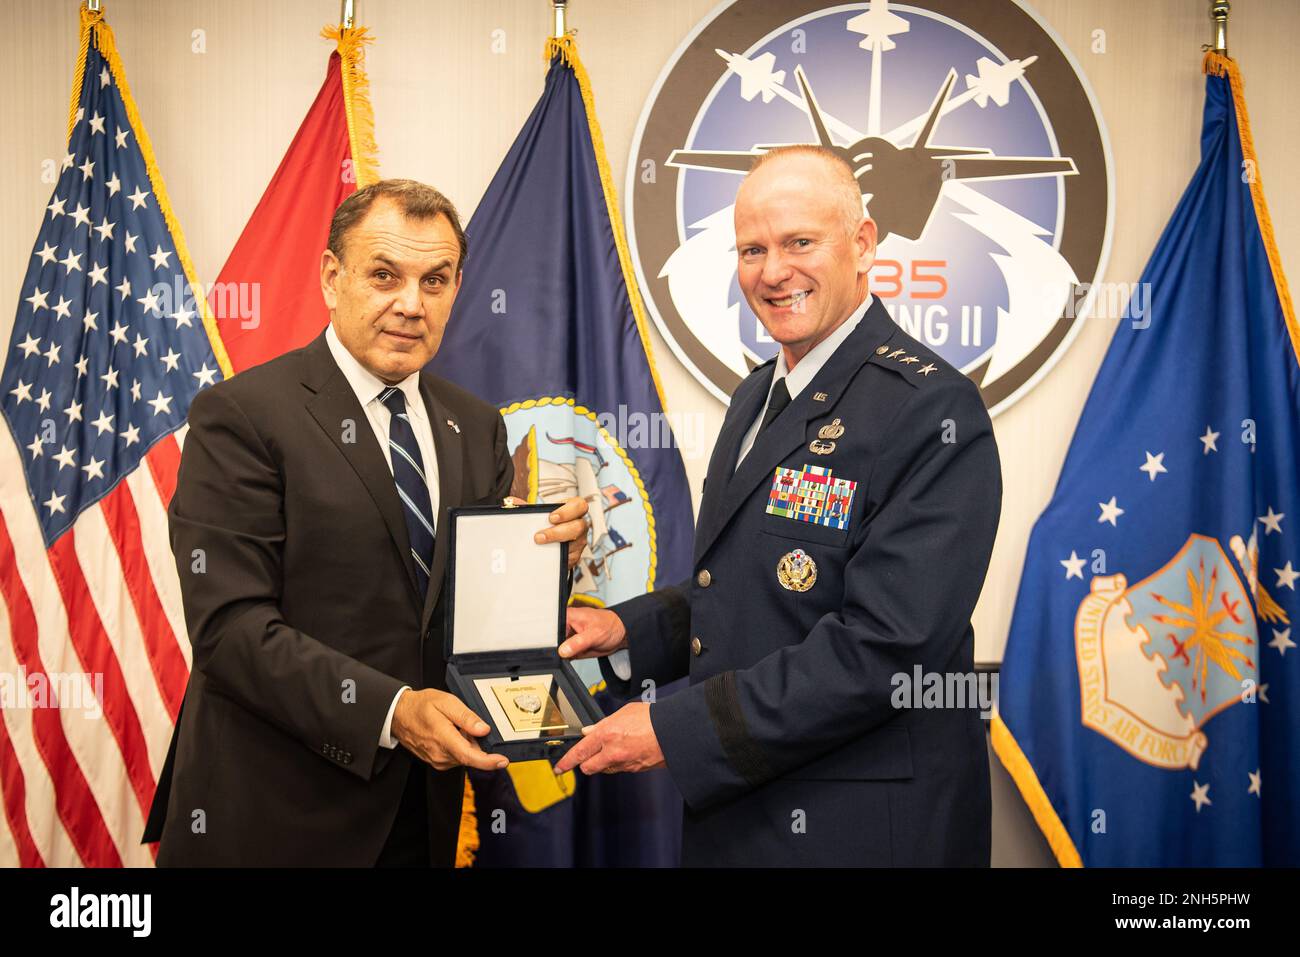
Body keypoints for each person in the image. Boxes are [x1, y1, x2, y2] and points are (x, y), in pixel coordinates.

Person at [556, 146, 1001, 866]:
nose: (772, 272)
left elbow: (887, 647)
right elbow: (740, 584)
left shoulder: (930, 407)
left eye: (800, 242)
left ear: (862, 245)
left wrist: (679, 729)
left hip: (860, 831)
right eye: (752, 249)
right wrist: (624, 629)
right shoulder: (756, 394)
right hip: (744, 814)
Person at [143, 179, 589, 866]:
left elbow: (475, 623)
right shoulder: (242, 415)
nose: (411, 304)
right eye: (385, 274)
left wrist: (546, 562)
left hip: (422, 814)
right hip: (273, 817)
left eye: (434, 280)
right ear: (331, 276)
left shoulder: (475, 425)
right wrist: (394, 711)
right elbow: (229, 631)